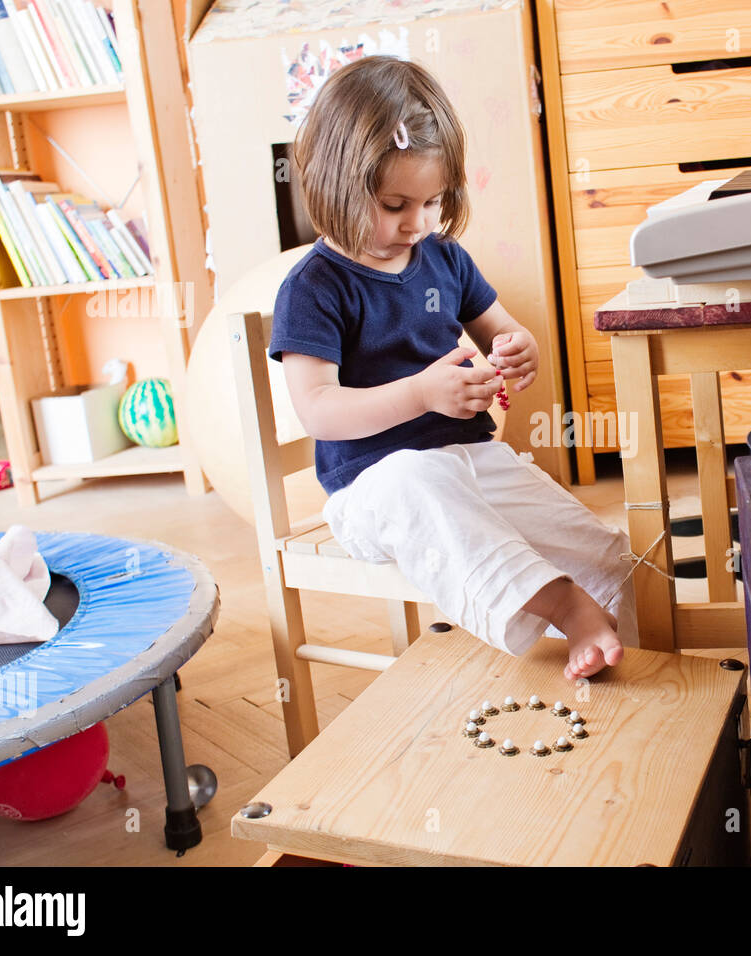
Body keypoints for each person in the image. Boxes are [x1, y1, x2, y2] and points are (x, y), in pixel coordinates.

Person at [269, 55, 637, 680]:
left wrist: (521, 348)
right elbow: (318, 408)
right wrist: (420, 394)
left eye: (432, 201)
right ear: (335, 185)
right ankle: (562, 606)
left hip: (471, 463)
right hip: (377, 490)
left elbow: (504, 330)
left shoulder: (443, 258)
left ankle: (629, 646)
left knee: (603, 553)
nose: (416, 223)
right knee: (421, 484)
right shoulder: (314, 286)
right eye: (393, 204)